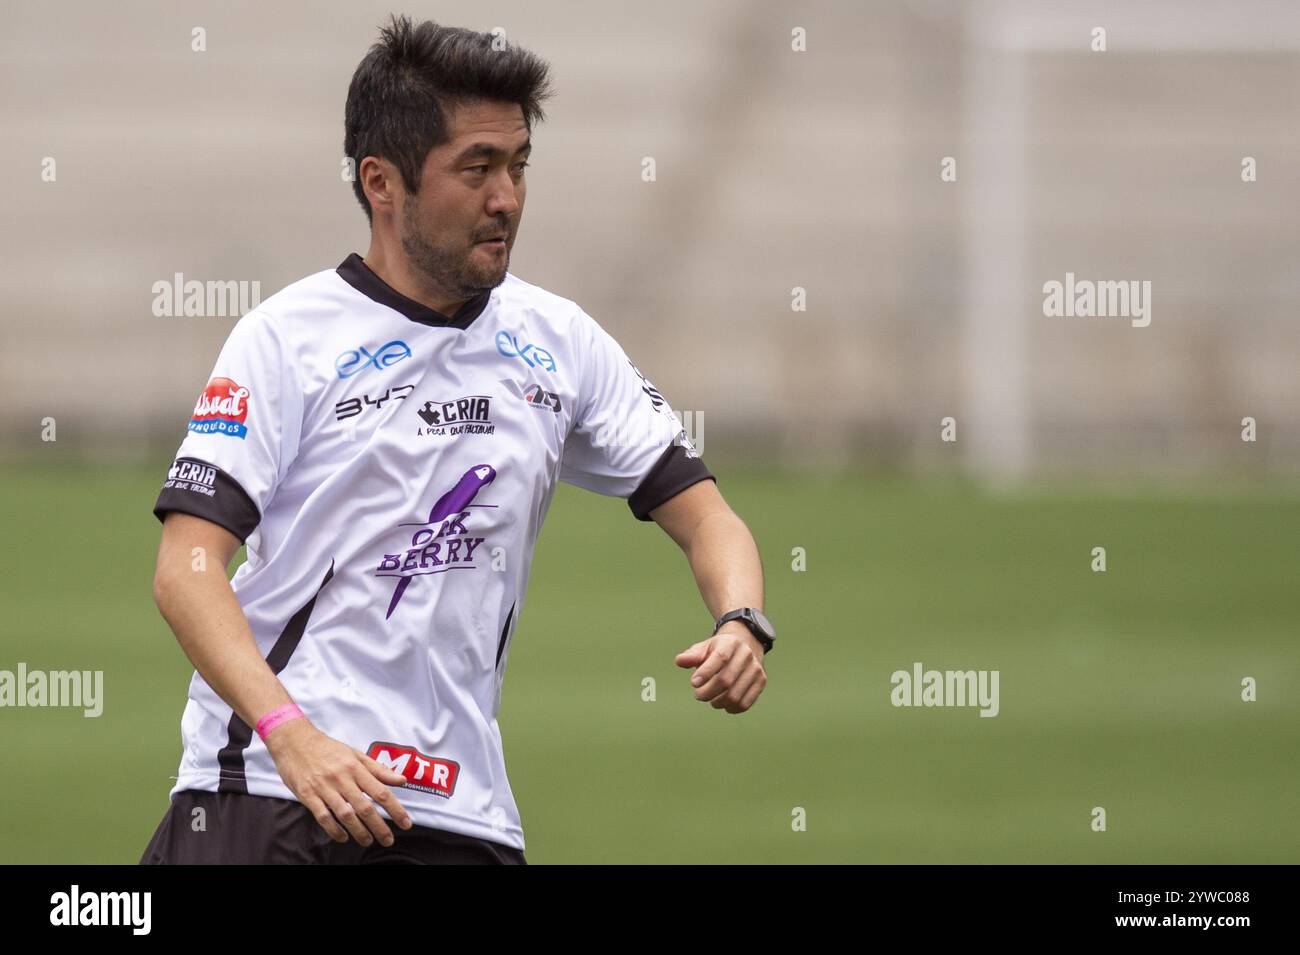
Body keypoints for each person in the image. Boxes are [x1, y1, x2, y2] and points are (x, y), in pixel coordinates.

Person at [140, 14, 773, 865]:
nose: (506, 196)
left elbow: (709, 517)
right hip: (273, 793)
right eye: (476, 169)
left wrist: (742, 620)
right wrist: (291, 734)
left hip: (461, 817)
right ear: (382, 183)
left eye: (517, 167)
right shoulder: (286, 338)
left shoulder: (561, 341)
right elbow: (186, 568)